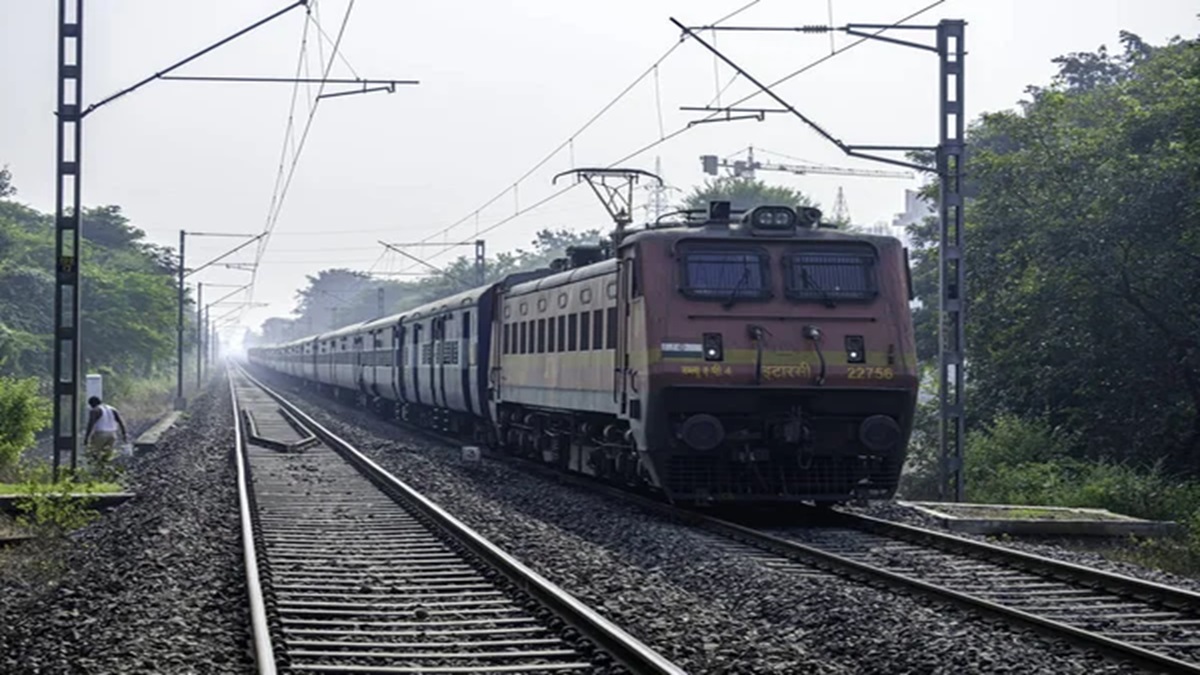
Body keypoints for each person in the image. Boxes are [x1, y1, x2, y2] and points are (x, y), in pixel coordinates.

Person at [84, 396, 128, 476]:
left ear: (92, 404)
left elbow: (91, 424)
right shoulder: (113, 409)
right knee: (107, 456)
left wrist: (87, 437)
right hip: (112, 434)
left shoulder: (95, 410)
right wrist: (124, 434)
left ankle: (95, 472)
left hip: (100, 434)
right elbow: (121, 422)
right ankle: (105, 472)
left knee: (93, 453)